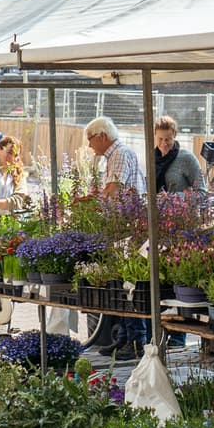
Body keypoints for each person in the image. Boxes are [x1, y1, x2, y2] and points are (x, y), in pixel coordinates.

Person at [84, 117, 148, 358]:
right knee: (121, 283)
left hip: (127, 228)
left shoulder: (119, 154)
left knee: (129, 283)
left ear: (101, 136)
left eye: (90, 139)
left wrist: (93, 204)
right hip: (122, 227)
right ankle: (124, 338)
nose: (89, 145)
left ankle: (135, 341)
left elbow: (114, 191)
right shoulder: (115, 155)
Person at [152, 116, 205, 195]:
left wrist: (174, 197)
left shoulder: (187, 158)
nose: (164, 143)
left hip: (179, 207)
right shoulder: (151, 159)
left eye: (168, 139)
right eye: (160, 139)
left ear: (174, 135)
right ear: (155, 136)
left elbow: (202, 193)